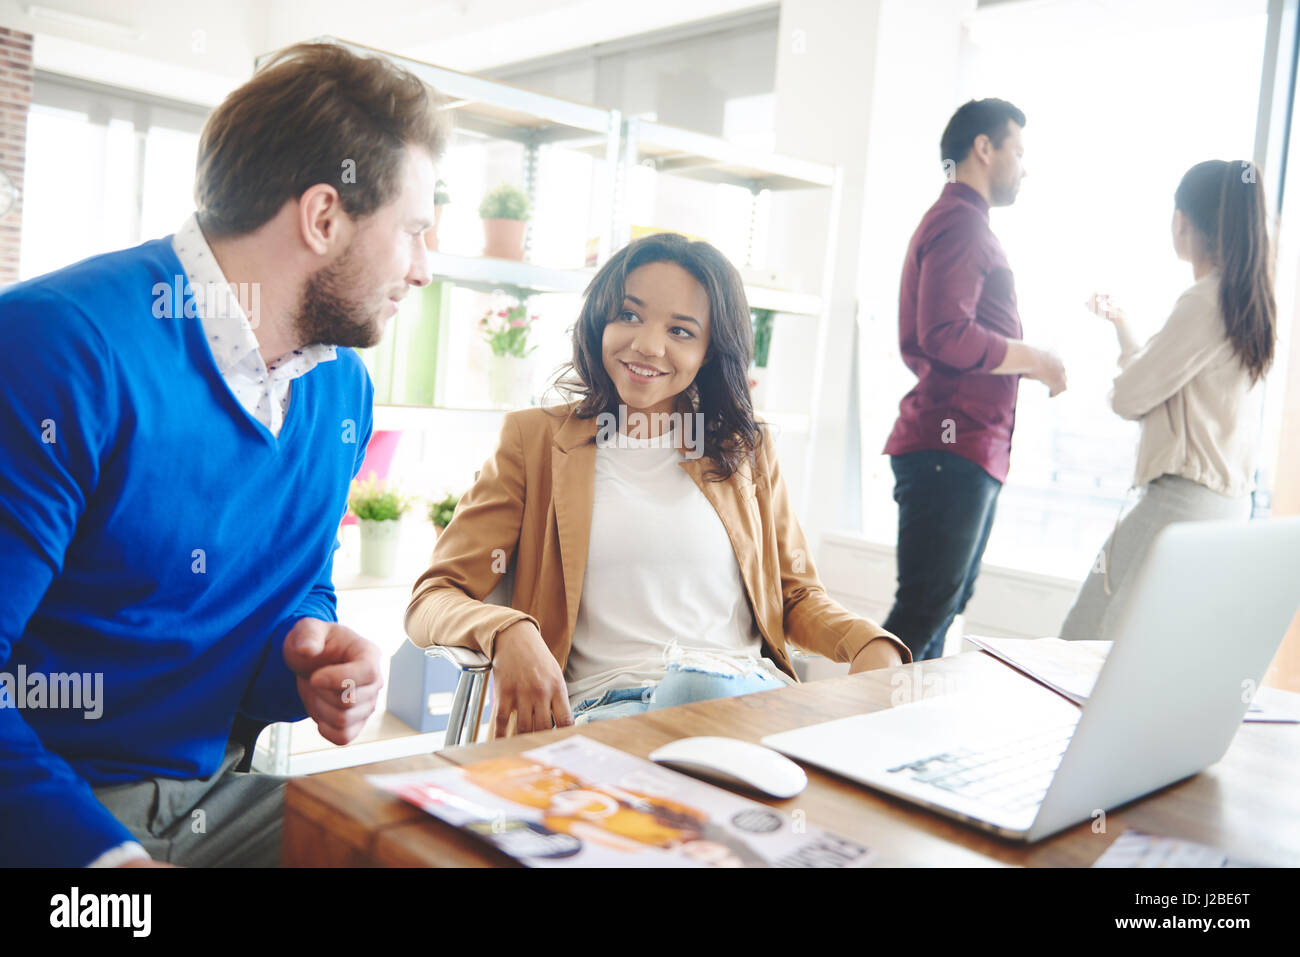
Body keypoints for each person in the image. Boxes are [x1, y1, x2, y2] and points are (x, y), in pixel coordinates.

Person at [0, 42, 447, 867]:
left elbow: (292, 582)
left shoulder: (339, 389)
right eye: (414, 231)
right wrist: (107, 864)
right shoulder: (56, 349)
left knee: (427, 852)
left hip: (214, 802)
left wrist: (307, 648)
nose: (425, 267)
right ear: (323, 216)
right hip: (49, 809)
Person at [405, 232, 911, 736]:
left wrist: (867, 641)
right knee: (693, 698)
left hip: (749, 699)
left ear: (710, 352)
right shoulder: (533, 442)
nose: (647, 344)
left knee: (708, 696)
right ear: (599, 319)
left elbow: (794, 595)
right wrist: (506, 631)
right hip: (607, 711)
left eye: (682, 331)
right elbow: (434, 597)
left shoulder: (745, 450)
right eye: (628, 315)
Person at [881, 98, 1067, 662]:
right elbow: (944, 333)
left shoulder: (963, 222)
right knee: (922, 614)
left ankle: (889, 744)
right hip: (949, 446)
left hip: (964, 447)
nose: (1025, 166)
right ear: (984, 149)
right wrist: (1032, 357)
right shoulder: (961, 223)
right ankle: (831, 735)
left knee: (939, 609)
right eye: (1019, 150)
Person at [1060, 160, 1276, 640]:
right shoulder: (1247, 301)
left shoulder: (1204, 300)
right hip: (1226, 507)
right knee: (1154, 651)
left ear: (1184, 221)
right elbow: (1165, 380)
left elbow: (1130, 397)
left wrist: (1125, 360)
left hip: (1181, 505)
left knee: (1082, 642)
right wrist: (1124, 327)